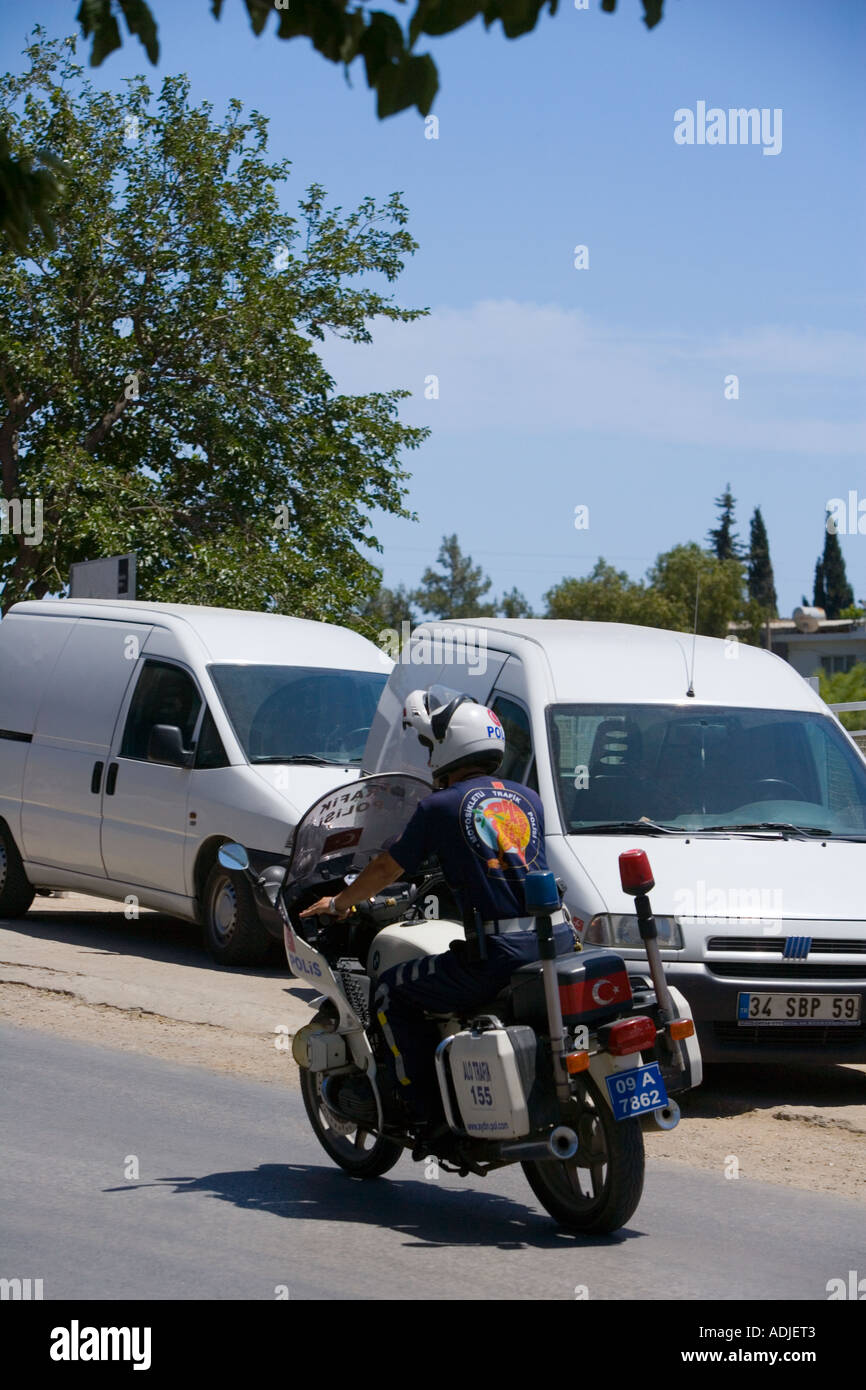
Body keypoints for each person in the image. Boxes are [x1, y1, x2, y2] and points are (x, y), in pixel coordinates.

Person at [300, 689, 575, 1132]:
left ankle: (415, 1106)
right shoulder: (528, 798)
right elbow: (497, 858)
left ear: (450, 745)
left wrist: (340, 901)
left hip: (498, 955)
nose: (429, 755)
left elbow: (388, 865)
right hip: (555, 940)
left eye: (430, 745)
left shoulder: (440, 806)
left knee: (391, 991)